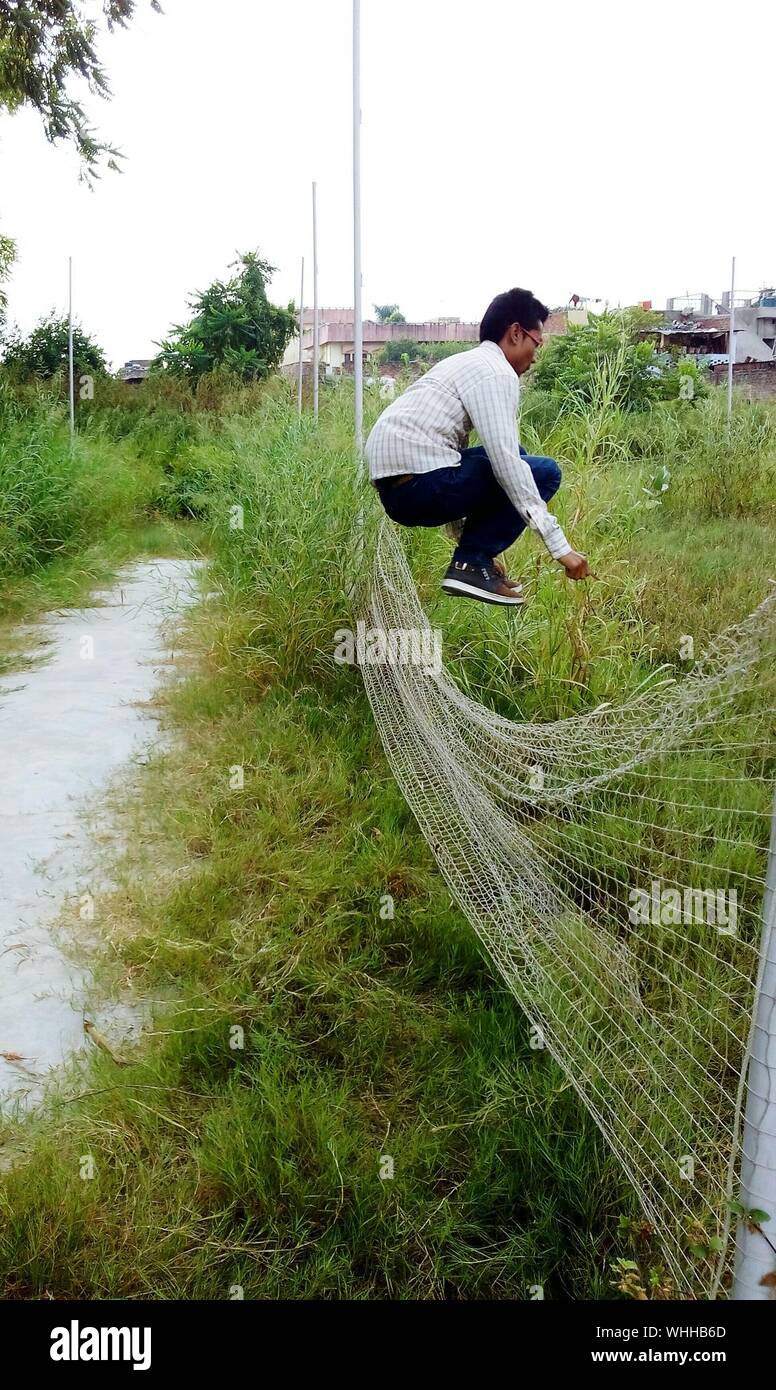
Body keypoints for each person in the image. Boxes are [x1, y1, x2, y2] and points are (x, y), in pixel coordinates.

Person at [365, 287, 589, 606]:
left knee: (520, 456)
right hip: (419, 486)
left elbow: (450, 459)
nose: (536, 356)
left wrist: (469, 545)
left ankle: (472, 562)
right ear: (515, 333)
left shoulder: (464, 364)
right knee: (544, 471)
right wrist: (560, 548)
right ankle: (471, 562)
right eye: (536, 343)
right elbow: (506, 464)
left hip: (402, 490)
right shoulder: (495, 372)